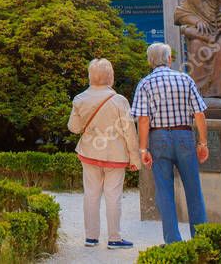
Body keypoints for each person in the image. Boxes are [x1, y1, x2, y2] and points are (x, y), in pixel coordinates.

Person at [131, 43, 209, 244]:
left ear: (150, 61)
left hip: (158, 139)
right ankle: (201, 239)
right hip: (184, 135)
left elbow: (143, 120)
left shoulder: (145, 84)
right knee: (194, 190)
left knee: (164, 192)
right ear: (169, 59)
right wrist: (203, 142)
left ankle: (173, 241)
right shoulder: (185, 79)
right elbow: (199, 113)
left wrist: (143, 148)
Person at [67, 58, 140, 250]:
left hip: (89, 153)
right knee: (113, 196)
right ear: (111, 76)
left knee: (90, 195)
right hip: (115, 156)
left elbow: (73, 128)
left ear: (90, 76)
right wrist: (135, 157)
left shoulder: (79, 99)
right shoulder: (119, 101)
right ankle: (114, 238)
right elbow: (129, 131)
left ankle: (91, 237)